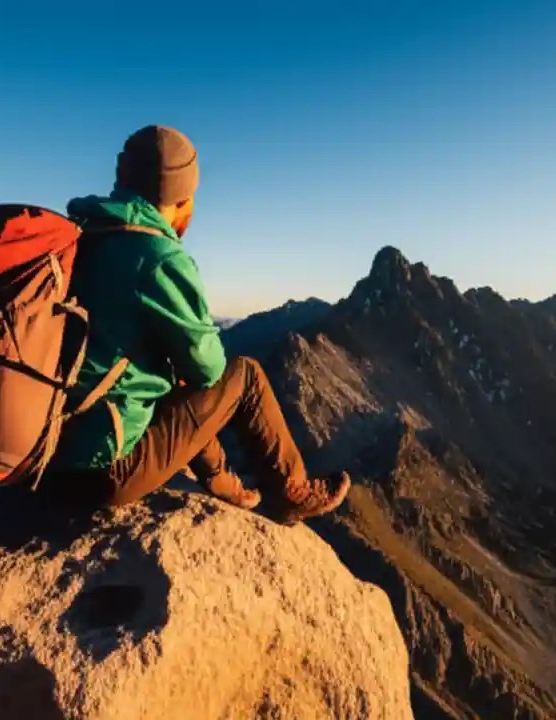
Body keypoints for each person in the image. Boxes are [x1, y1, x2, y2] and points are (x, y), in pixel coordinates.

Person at [49, 125, 349, 525]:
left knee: (171, 372)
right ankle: (291, 492)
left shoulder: (83, 234)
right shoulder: (157, 255)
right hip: (102, 470)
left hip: (48, 456)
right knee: (245, 376)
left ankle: (224, 482)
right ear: (183, 195)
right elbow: (207, 368)